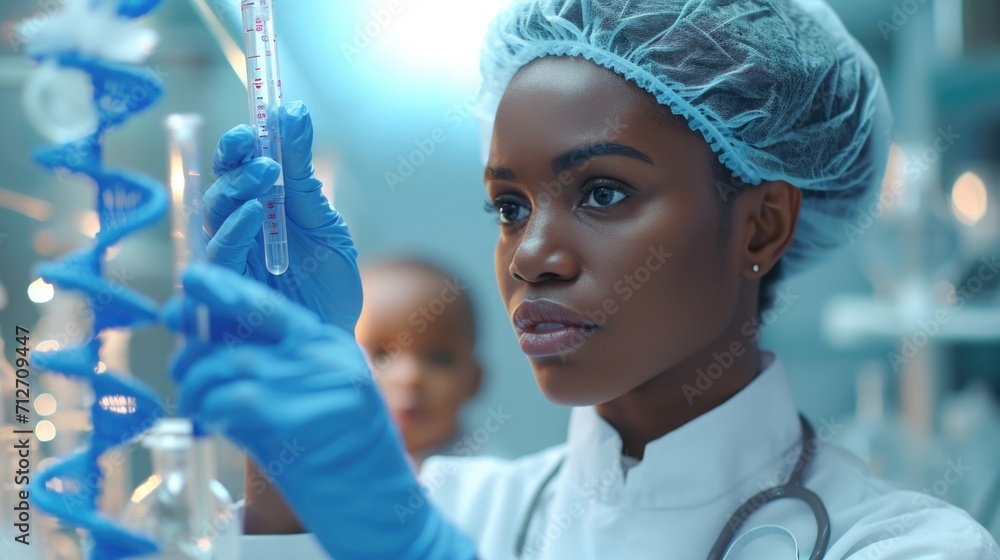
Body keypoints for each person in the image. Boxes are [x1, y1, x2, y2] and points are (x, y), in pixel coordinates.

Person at [164, 0, 1000, 558]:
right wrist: (282, 460)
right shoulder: (455, 502)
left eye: (603, 192)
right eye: (509, 205)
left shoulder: (905, 546)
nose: (530, 256)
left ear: (762, 224)